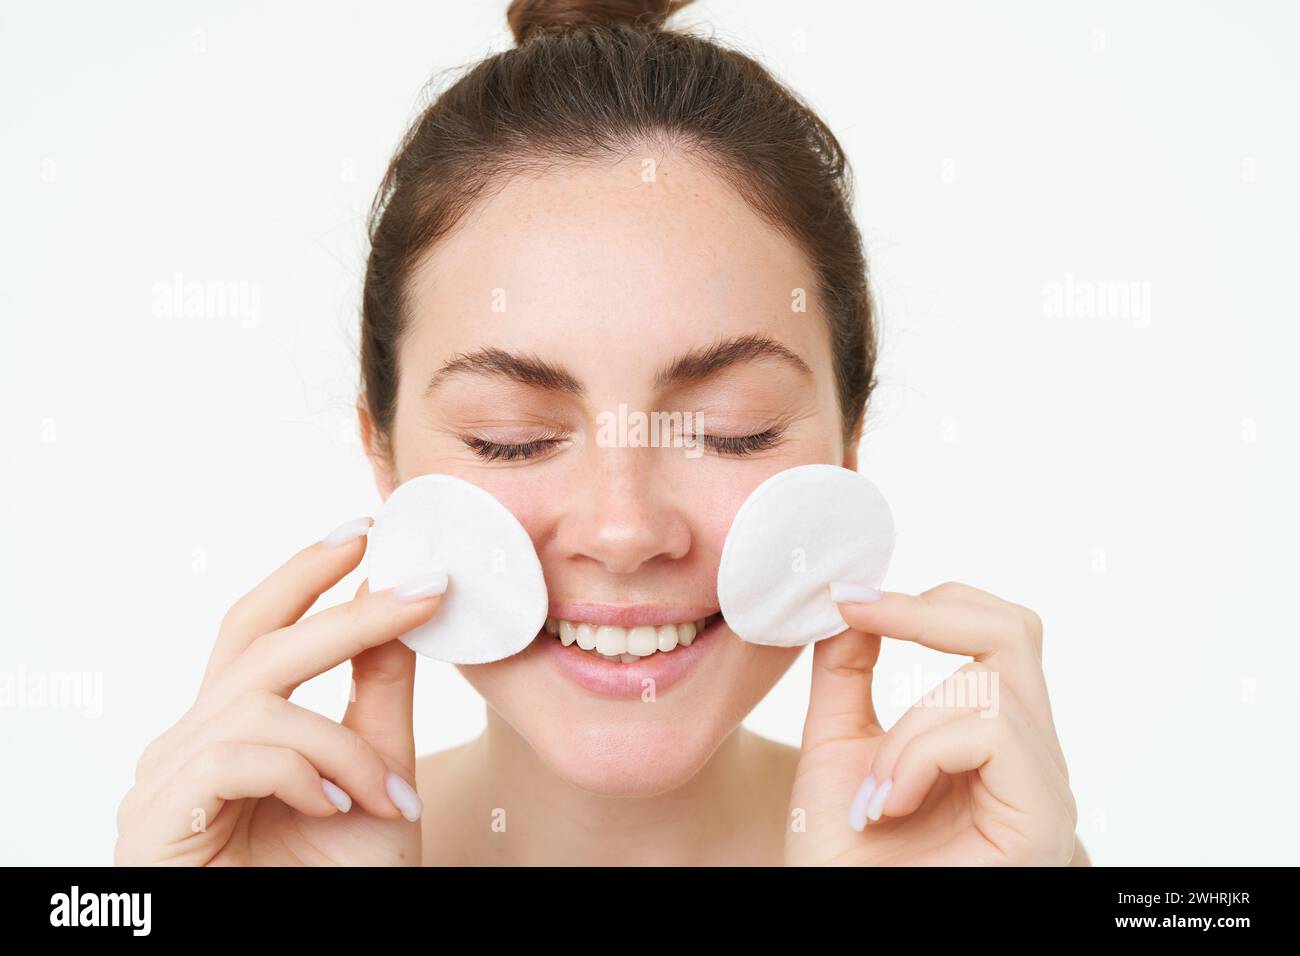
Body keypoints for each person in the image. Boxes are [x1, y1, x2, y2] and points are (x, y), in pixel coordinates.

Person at [114, 0, 1086, 866]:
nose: (623, 531)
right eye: (512, 437)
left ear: (847, 441)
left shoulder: (995, 849)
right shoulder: (224, 857)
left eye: (730, 431)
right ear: (384, 455)